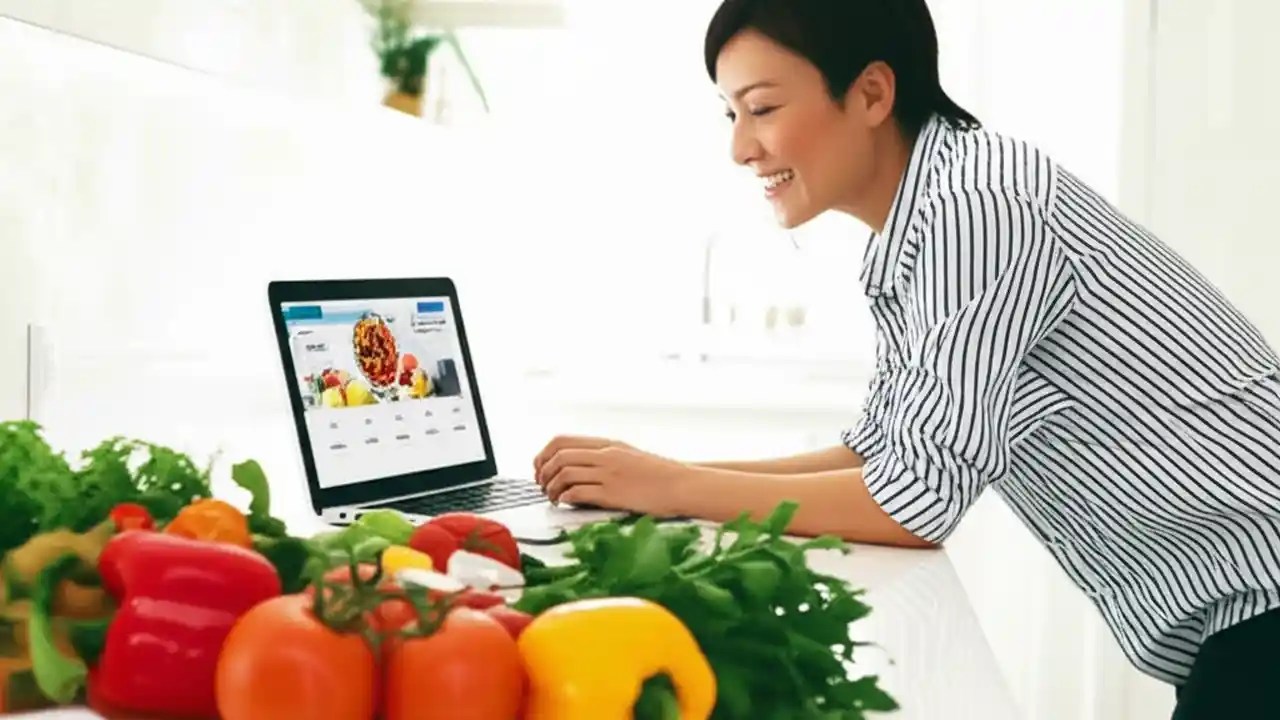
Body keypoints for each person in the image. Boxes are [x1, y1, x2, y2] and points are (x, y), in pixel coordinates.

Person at [532, 0, 1280, 716]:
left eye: (761, 108)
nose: (739, 147)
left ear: (871, 93)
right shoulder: (922, 226)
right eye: (731, 114)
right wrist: (652, 475)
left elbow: (912, 500)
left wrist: (671, 486)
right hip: (1243, 621)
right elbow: (880, 454)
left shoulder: (978, 203)